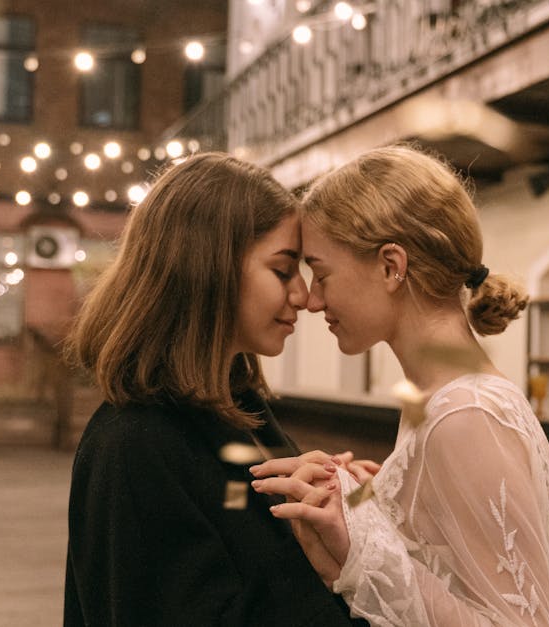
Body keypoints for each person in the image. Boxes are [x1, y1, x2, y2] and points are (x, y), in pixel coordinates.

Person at [252, 145, 549, 626]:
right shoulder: (440, 399)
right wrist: (370, 504)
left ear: (392, 266)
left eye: (322, 273)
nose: (312, 300)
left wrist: (362, 547)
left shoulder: (467, 414)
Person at [62, 152, 363, 626]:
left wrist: (321, 500)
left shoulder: (238, 403)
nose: (304, 296)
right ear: (208, 266)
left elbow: (243, 538)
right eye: (283, 270)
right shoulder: (135, 442)